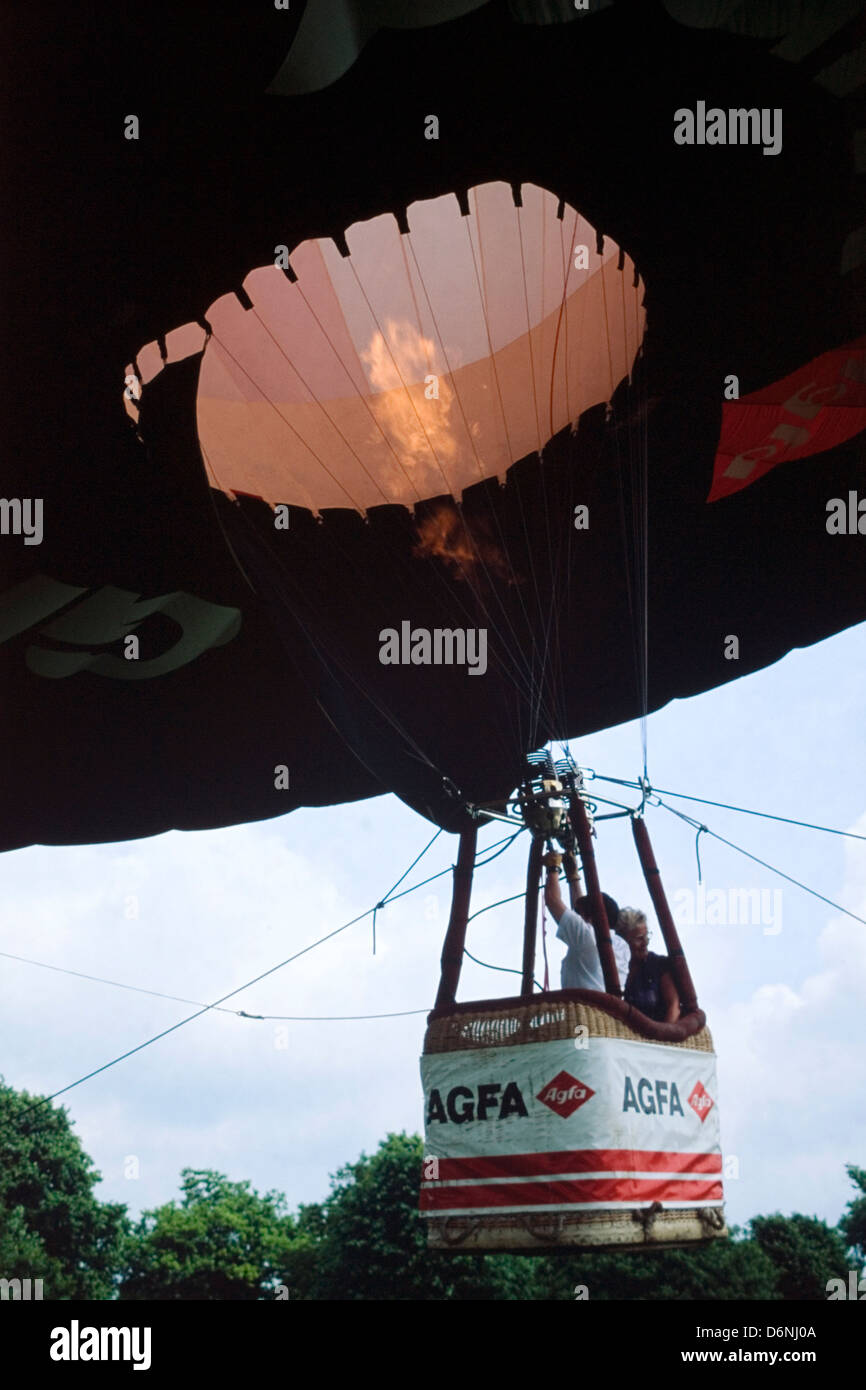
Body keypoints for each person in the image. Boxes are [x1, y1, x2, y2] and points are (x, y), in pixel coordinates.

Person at [542, 850, 625, 992]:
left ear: (591, 918)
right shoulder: (620, 945)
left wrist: (553, 867)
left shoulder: (587, 938)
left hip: (583, 1011)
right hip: (605, 1011)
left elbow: (552, 899)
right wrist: (573, 876)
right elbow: (581, 920)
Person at [615, 908, 681, 1023]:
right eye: (639, 938)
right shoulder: (615, 968)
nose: (645, 943)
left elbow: (674, 1006)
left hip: (657, 1036)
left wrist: (662, 1038)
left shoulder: (658, 964)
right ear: (623, 941)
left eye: (646, 936)